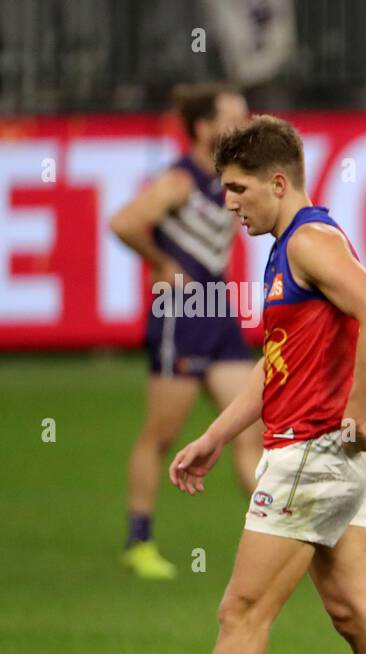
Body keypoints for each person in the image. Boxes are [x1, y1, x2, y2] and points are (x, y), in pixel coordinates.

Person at [85, 115, 366, 654]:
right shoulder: (296, 245)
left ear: (280, 182)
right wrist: (216, 436)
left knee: (242, 612)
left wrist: (357, 415)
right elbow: (276, 367)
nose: (229, 203)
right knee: (358, 614)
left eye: (240, 188)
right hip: (318, 455)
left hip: (311, 454)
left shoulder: (308, 241)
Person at [112, 84, 262, 580]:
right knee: (163, 434)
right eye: (233, 116)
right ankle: (139, 542)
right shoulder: (180, 179)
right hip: (180, 312)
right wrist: (163, 262)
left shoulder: (229, 175)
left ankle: (278, 534)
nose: (243, 123)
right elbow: (125, 221)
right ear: (203, 129)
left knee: (250, 428)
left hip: (216, 309)